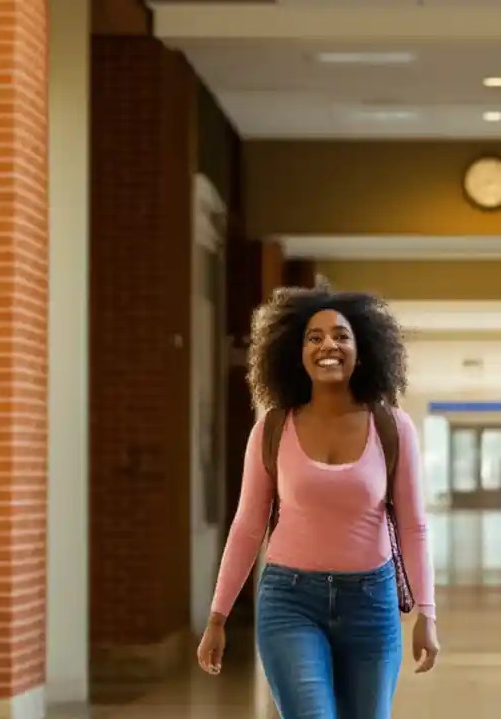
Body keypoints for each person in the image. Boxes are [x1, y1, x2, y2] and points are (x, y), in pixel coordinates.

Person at [197, 285, 440, 719]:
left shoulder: (392, 426)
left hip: (372, 603)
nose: (329, 344)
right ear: (298, 353)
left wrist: (428, 612)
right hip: (290, 602)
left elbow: (414, 526)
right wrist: (218, 616)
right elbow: (248, 526)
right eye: (315, 337)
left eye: (341, 336)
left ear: (361, 352)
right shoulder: (272, 429)